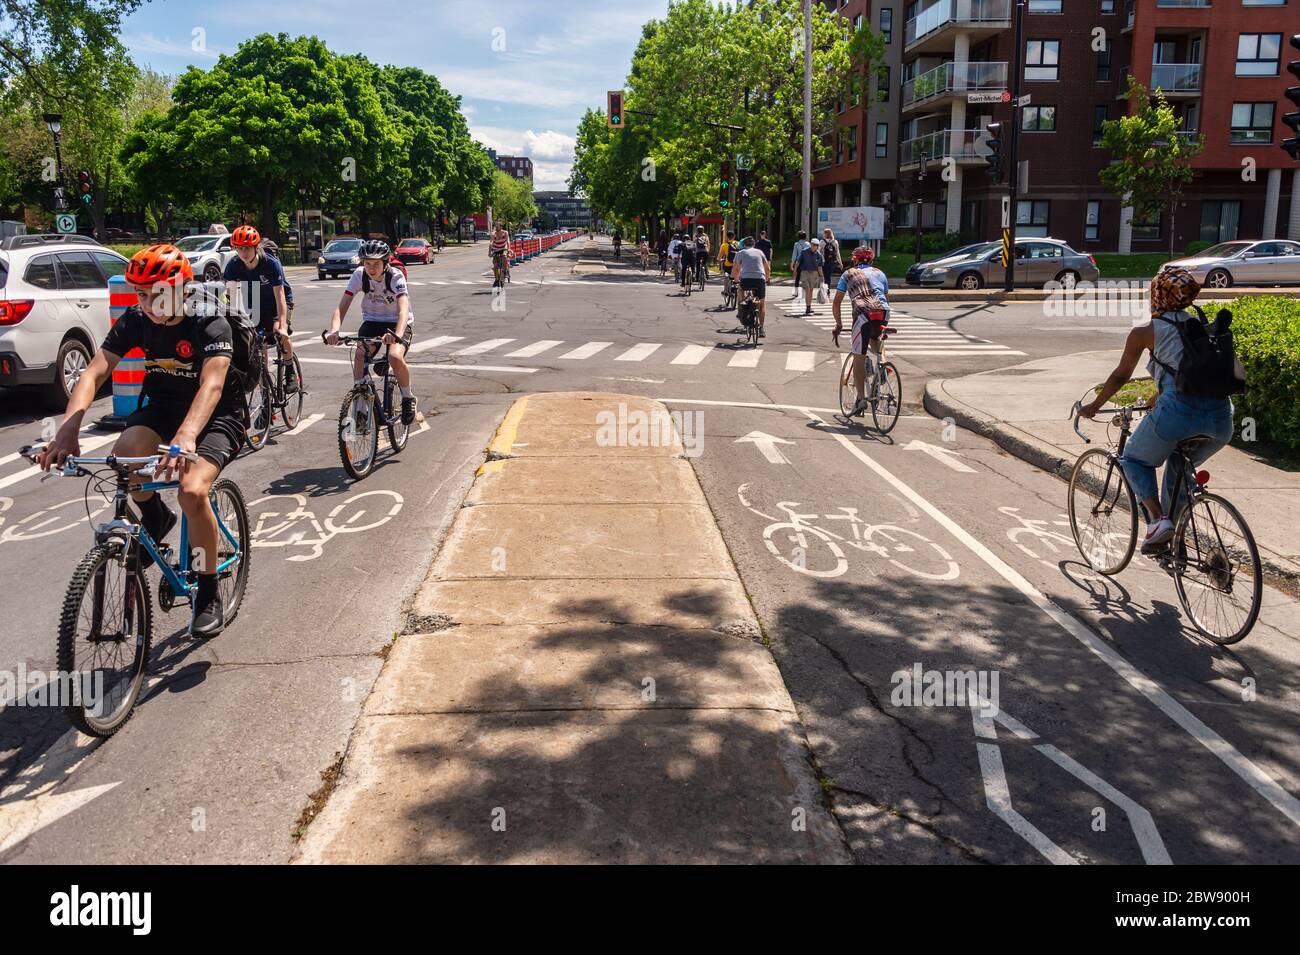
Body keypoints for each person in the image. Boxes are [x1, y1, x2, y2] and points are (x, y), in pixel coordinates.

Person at [38, 245, 248, 637]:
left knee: (191, 490)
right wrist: (69, 427)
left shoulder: (209, 321)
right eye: (140, 294)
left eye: (157, 293)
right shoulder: (136, 320)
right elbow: (94, 372)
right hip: (164, 408)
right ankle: (154, 515)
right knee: (124, 455)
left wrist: (187, 436)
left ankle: (207, 592)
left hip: (218, 416)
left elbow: (213, 383)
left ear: (183, 287)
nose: (148, 303)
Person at [1079, 267, 1235, 553]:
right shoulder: (1200, 327)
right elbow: (1188, 373)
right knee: (1178, 465)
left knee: (1133, 460)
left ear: (1157, 296)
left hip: (1178, 413)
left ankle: (1158, 519)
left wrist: (1093, 406)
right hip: (1222, 420)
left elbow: (1120, 376)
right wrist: (1156, 396)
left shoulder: (1145, 332)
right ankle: (1175, 541)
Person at [324, 240, 418, 425]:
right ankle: (360, 406)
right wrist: (334, 330)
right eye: (367, 263)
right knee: (359, 355)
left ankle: (408, 398)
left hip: (397, 323)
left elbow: (403, 311)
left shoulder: (395, 276)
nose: (371, 268)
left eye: (376, 263)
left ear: (385, 263)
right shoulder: (359, 275)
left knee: (395, 358)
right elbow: (341, 308)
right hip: (372, 322)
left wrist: (396, 335)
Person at [224, 225, 297, 393]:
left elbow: (280, 297)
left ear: (255, 247)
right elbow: (231, 299)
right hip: (254, 305)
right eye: (239, 249)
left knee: (279, 332)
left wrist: (283, 325)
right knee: (258, 343)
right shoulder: (233, 265)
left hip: (279, 302)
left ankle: (290, 370)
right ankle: (266, 396)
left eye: (247, 248)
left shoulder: (270, 264)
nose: (243, 253)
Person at [832, 245, 891, 417]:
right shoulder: (880, 273)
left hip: (863, 313)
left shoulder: (848, 274)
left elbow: (836, 302)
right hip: (883, 311)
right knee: (877, 339)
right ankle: (883, 365)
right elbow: (886, 298)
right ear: (871, 260)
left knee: (859, 357)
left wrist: (838, 324)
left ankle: (861, 400)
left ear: (854, 260)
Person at [731, 236, 772, 338]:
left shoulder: (740, 253)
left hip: (746, 279)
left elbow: (736, 270)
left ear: (744, 245)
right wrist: (766, 279)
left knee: (740, 290)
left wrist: (735, 280)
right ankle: (761, 328)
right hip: (760, 279)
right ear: (754, 245)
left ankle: (742, 308)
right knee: (762, 304)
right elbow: (767, 268)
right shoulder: (760, 252)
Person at [798, 238, 825, 315]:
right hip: (805, 272)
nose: (815, 246)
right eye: (814, 244)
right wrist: (795, 271)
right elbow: (798, 262)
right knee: (807, 289)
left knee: (811, 290)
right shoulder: (804, 252)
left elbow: (820, 267)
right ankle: (807, 308)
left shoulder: (819, 255)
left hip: (814, 273)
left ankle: (809, 306)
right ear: (810, 244)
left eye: (817, 245)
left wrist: (822, 276)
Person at [718, 232, 737, 305]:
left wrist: (720, 260)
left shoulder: (724, 245)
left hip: (728, 265)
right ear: (734, 236)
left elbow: (719, 257)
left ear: (727, 237)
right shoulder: (738, 244)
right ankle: (736, 288)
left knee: (726, 276)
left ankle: (726, 291)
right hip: (736, 265)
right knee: (736, 277)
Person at [790, 230, 810, 300]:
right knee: (806, 277)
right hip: (806, 263)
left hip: (799, 262)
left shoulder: (797, 244)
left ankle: (796, 292)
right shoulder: (808, 244)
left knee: (797, 277)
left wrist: (792, 264)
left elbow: (794, 255)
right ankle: (805, 291)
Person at [821, 228, 842, 293]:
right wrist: (840, 262)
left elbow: (819, 252)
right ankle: (827, 289)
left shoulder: (822, 242)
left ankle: (826, 290)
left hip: (824, 262)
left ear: (825, 234)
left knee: (825, 276)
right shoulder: (835, 242)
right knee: (828, 276)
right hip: (832, 262)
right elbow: (837, 253)